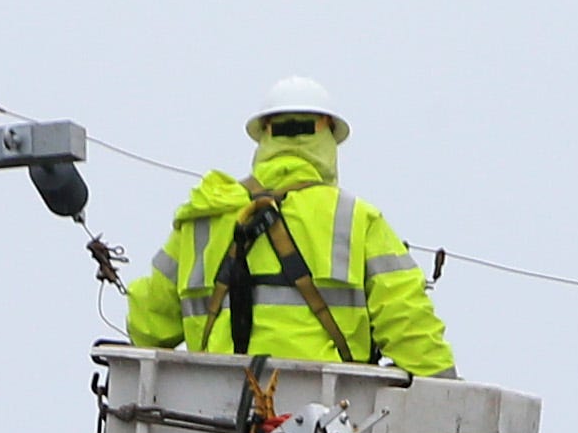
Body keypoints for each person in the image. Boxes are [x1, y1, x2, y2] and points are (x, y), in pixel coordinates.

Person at [124, 79, 458, 376]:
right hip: (330, 424)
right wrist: (449, 394)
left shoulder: (206, 215)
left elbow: (148, 325)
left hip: (212, 420)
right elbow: (410, 327)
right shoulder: (357, 219)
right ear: (327, 133)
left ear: (264, 135)